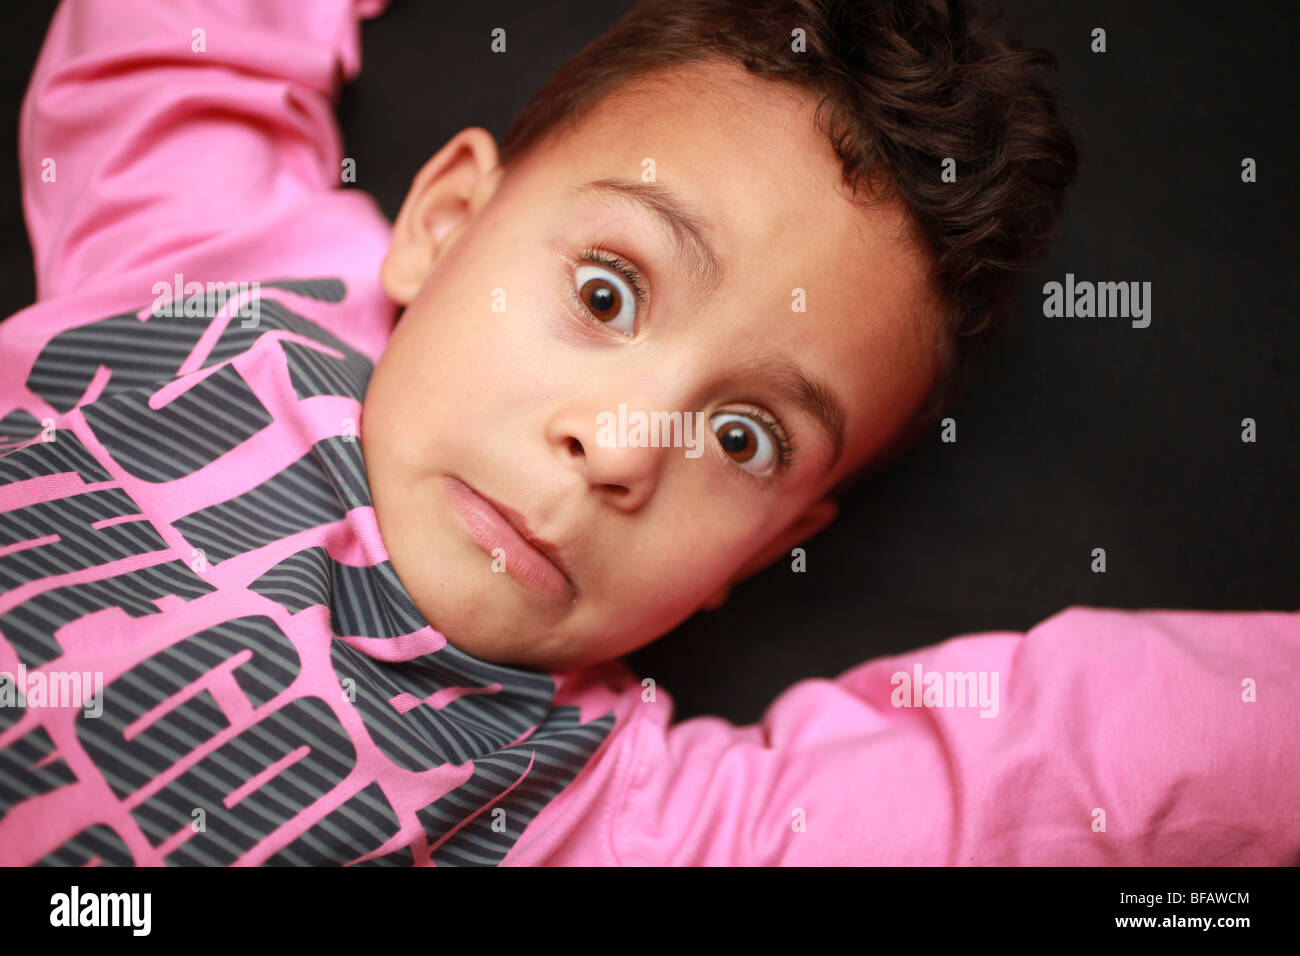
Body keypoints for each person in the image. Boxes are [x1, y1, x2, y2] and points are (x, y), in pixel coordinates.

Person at [0, 0, 1295, 867]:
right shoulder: (216, 277)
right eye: (607, 294)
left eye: (743, 440)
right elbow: (175, 37)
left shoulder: (609, 818)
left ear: (767, 547)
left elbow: (1060, 760)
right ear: (447, 222)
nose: (620, 449)